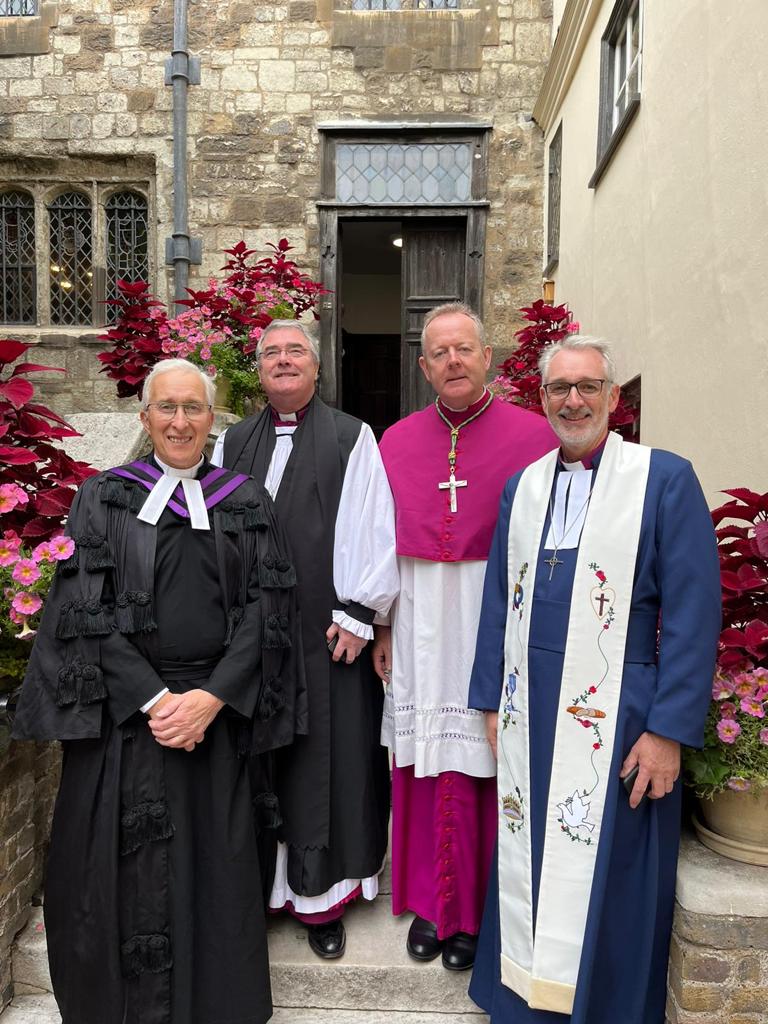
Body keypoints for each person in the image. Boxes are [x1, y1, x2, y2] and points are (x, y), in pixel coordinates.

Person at [12, 359, 305, 1024]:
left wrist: (212, 697)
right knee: (114, 878)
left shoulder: (247, 501)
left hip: (216, 724)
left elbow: (271, 609)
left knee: (214, 872)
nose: (179, 421)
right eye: (166, 408)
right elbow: (84, 608)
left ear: (211, 420)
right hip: (128, 723)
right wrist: (154, 699)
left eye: (193, 409)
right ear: (145, 418)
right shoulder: (104, 497)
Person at [467, 336, 721, 1023]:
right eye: (559, 388)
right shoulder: (524, 488)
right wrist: (492, 699)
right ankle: (521, 995)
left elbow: (696, 613)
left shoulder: (662, 478)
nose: (573, 400)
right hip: (531, 709)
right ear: (541, 398)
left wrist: (668, 729)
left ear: (614, 398)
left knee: (610, 862)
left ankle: (600, 1007)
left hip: (622, 708)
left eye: (588, 387)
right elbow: (500, 599)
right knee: (531, 852)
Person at [374, 302, 556, 971]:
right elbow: (378, 547)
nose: (452, 361)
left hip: (495, 619)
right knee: (424, 759)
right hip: (421, 620)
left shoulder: (536, 438)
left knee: (489, 762)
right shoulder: (395, 440)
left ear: (488, 358)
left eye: (464, 349)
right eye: (438, 352)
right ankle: (429, 904)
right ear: (424, 367)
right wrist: (385, 623)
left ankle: (477, 912)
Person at [212, 319, 399, 959]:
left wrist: (356, 612)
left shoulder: (352, 437)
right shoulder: (230, 441)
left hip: (327, 634)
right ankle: (265, 893)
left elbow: (375, 527)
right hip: (250, 637)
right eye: (271, 353)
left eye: (296, 351)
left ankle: (322, 903)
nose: (284, 361)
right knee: (258, 760)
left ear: (316, 368)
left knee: (327, 757)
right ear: (258, 370)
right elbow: (209, 532)